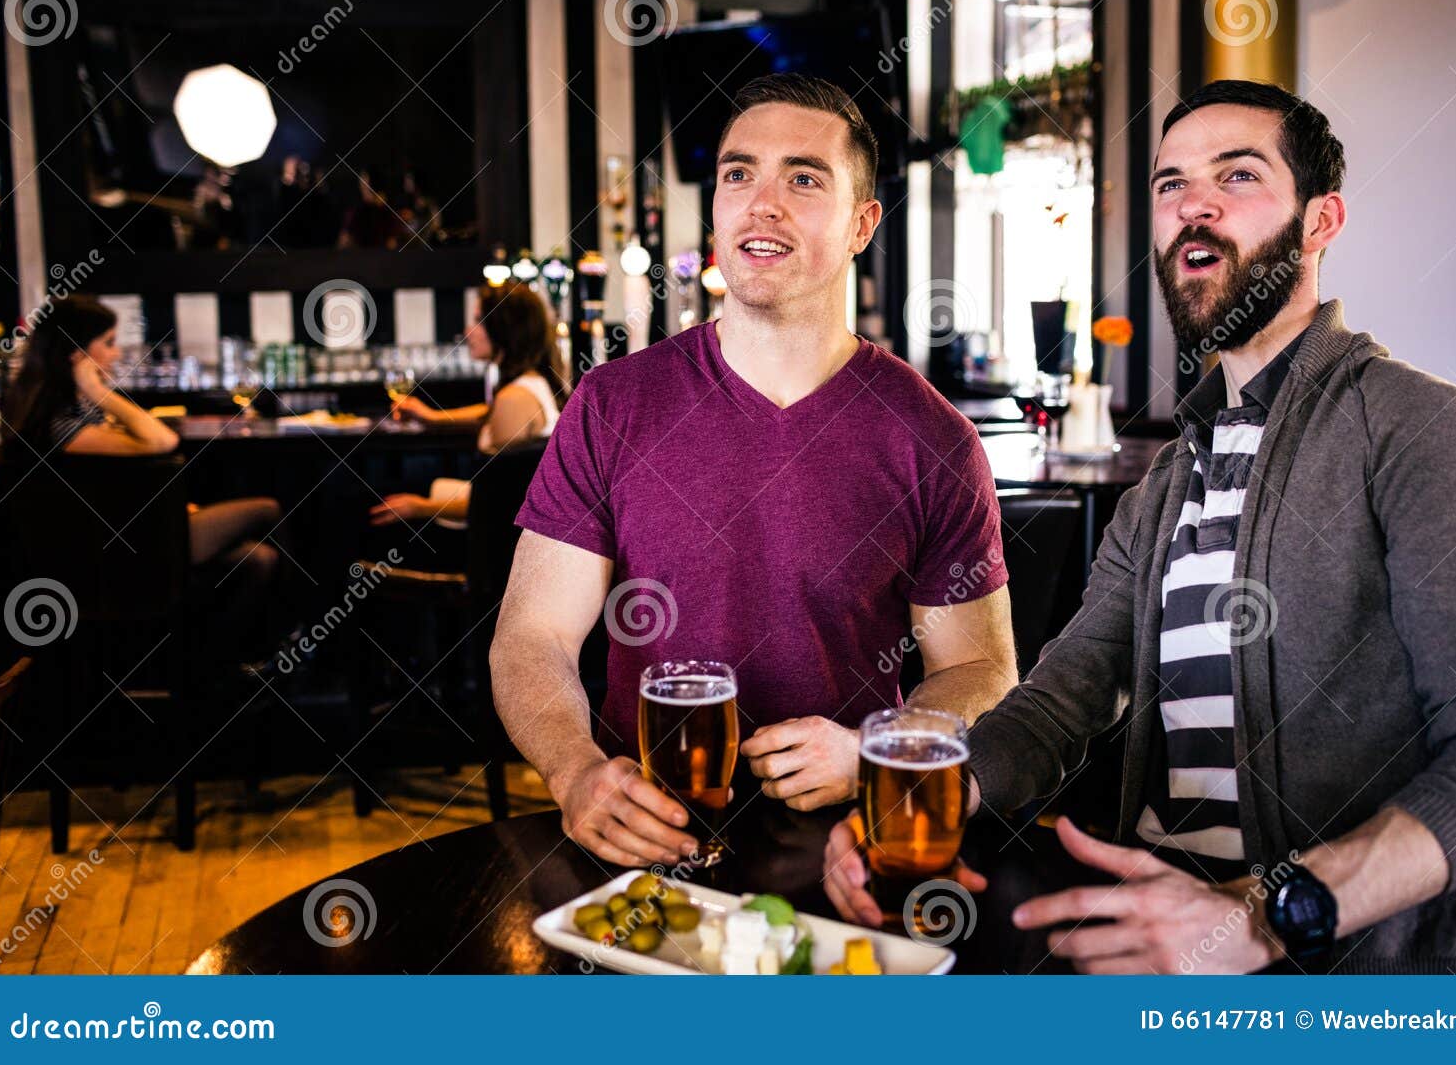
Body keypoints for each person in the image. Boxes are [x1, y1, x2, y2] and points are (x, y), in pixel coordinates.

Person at [823, 79, 1456, 974]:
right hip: (1141, 941)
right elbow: (1062, 700)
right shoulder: (1165, 484)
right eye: (1171, 183)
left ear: (1321, 220)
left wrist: (1262, 917)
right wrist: (926, 800)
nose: (1195, 205)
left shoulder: (1418, 429)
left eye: (1239, 175)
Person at [490, 72, 1018, 867]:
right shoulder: (612, 404)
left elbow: (980, 666)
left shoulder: (934, 438)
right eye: (739, 174)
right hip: (637, 839)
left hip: (845, 846)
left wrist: (874, 747)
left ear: (862, 224)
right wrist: (574, 773)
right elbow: (531, 635)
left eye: (804, 178)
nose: (761, 202)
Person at [0, 295, 284, 648]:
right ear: (77, 353)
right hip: (110, 552)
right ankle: (287, 645)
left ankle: (223, 669)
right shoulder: (62, 424)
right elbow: (161, 440)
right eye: (109, 343)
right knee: (268, 510)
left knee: (257, 560)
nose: (116, 354)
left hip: (123, 533)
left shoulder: (63, 413)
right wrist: (97, 389)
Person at [369, 281, 567, 531]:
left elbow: (497, 504)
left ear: (504, 329)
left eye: (478, 321)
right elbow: (488, 413)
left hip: (498, 549)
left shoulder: (513, 399)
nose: (467, 331)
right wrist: (431, 417)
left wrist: (419, 507)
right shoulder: (527, 385)